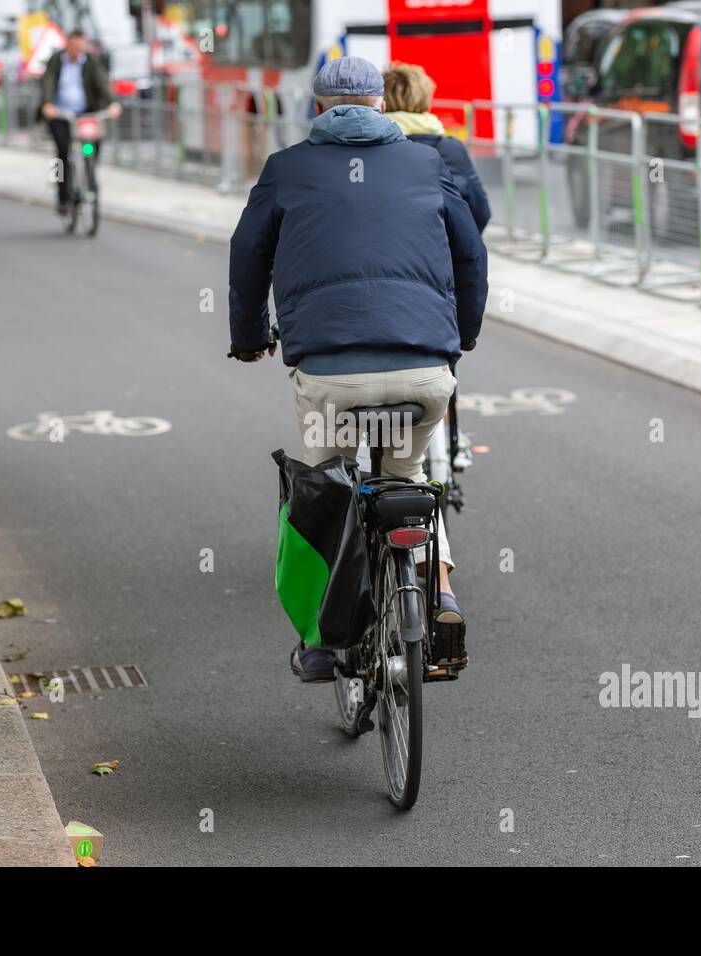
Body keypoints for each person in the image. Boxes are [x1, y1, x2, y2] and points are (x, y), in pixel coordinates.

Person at [227, 56, 487, 682]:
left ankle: (320, 642)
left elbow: (247, 257)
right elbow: (471, 255)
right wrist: (459, 340)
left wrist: (249, 337)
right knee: (411, 476)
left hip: (331, 376)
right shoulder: (429, 163)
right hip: (424, 369)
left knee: (325, 484)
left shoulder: (286, 169)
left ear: (316, 107)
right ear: (379, 104)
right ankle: (440, 596)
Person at [383, 63, 491, 233]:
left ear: (382, 103)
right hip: (440, 249)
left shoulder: (373, 145)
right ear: (426, 101)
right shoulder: (450, 148)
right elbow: (480, 210)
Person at [38, 30, 121, 216]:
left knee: (92, 144)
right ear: (68, 45)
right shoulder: (56, 61)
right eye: (75, 47)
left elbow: (101, 82)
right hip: (60, 115)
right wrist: (47, 104)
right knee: (62, 153)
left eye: (81, 47)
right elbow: (48, 82)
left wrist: (112, 103)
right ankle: (62, 196)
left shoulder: (90, 61)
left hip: (85, 113)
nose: (78, 52)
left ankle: (90, 172)